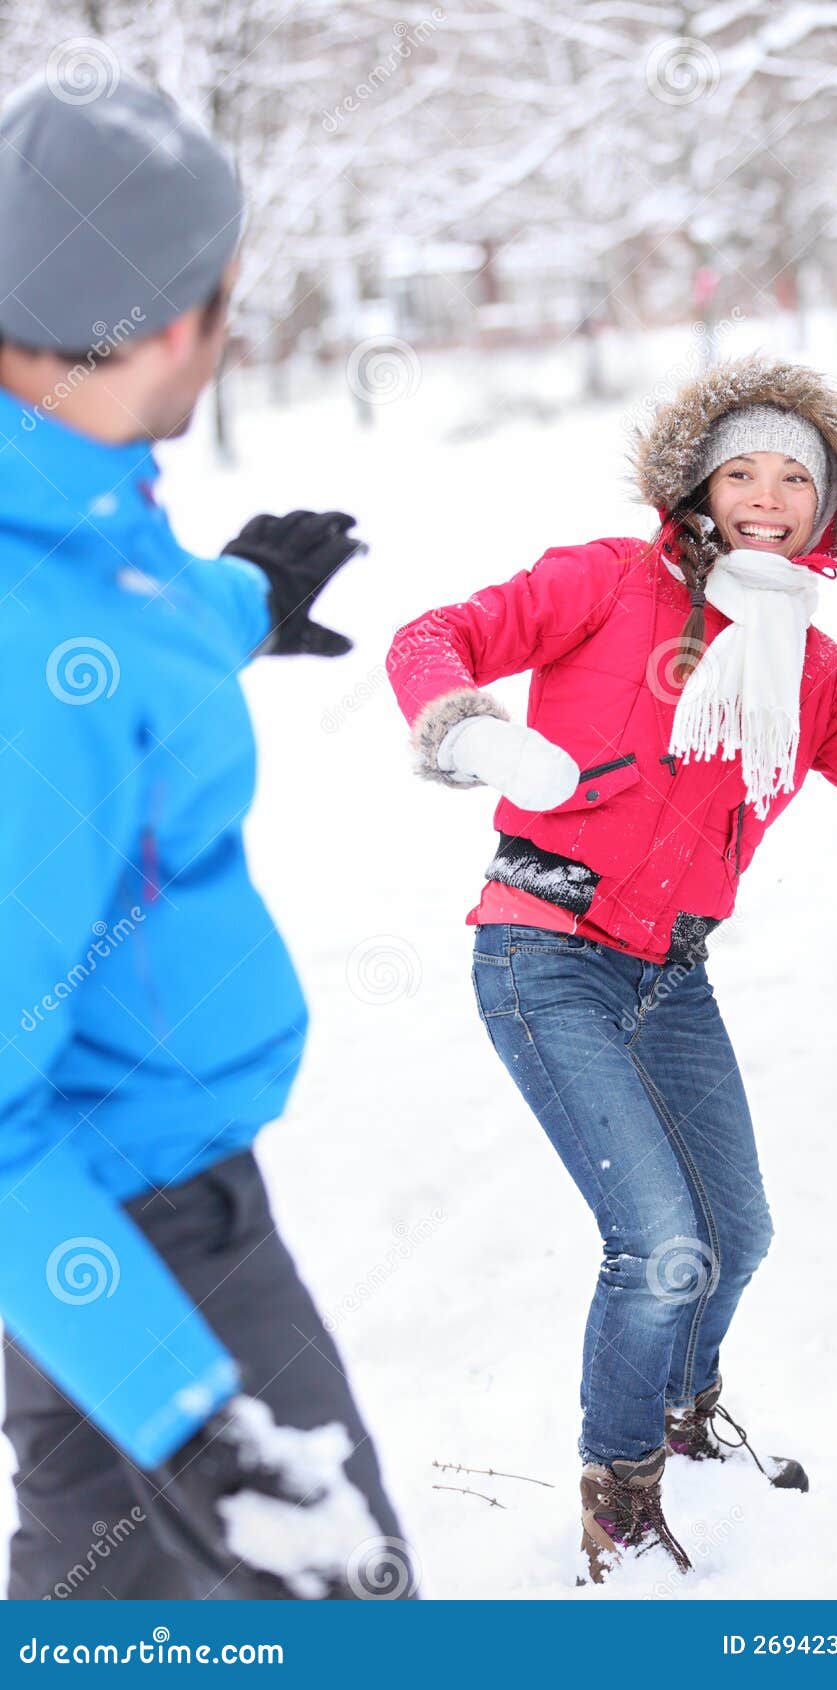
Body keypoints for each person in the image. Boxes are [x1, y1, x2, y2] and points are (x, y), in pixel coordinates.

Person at [386, 353, 837, 1585]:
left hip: (665, 973)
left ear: (826, 506)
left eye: (790, 476)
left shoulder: (808, 668)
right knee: (656, 1241)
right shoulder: (600, 580)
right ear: (693, 482)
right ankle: (617, 1502)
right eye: (737, 469)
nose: (761, 494)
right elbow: (434, 635)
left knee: (731, 1235)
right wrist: (467, 726)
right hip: (542, 946)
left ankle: (684, 1428)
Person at [0, 72, 413, 1600]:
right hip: (135, 1239)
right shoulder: (33, 639)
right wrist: (189, 1416)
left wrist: (241, 598)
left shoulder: (66, 507)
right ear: (180, 319)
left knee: (89, 1603)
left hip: (95, 1233)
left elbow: (116, 617)